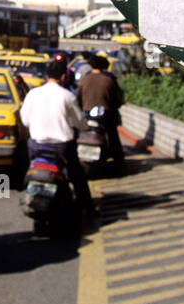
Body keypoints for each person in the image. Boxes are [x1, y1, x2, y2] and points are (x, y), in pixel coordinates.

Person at [19, 59, 94, 219]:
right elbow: (79, 122)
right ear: (62, 77)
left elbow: (25, 121)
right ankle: (88, 209)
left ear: (46, 76)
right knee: (77, 176)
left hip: (36, 145)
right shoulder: (67, 96)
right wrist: (85, 128)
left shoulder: (33, 93)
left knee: (29, 168)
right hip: (62, 147)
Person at [76, 54, 126, 171]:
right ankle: (119, 162)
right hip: (106, 116)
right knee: (113, 137)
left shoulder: (84, 80)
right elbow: (117, 100)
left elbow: (77, 98)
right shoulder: (109, 80)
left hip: (87, 115)